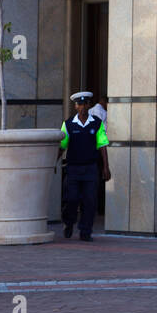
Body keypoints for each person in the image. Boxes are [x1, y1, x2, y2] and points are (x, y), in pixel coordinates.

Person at [60, 91, 110, 242]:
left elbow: (102, 145)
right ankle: (68, 223)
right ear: (75, 106)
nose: (82, 107)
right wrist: (53, 163)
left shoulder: (96, 123)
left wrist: (106, 167)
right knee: (71, 199)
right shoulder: (68, 124)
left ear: (89, 105)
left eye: (84, 104)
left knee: (90, 201)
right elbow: (62, 146)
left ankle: (85, 231)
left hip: (90, 168)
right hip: (73, 168)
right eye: (79, 104)